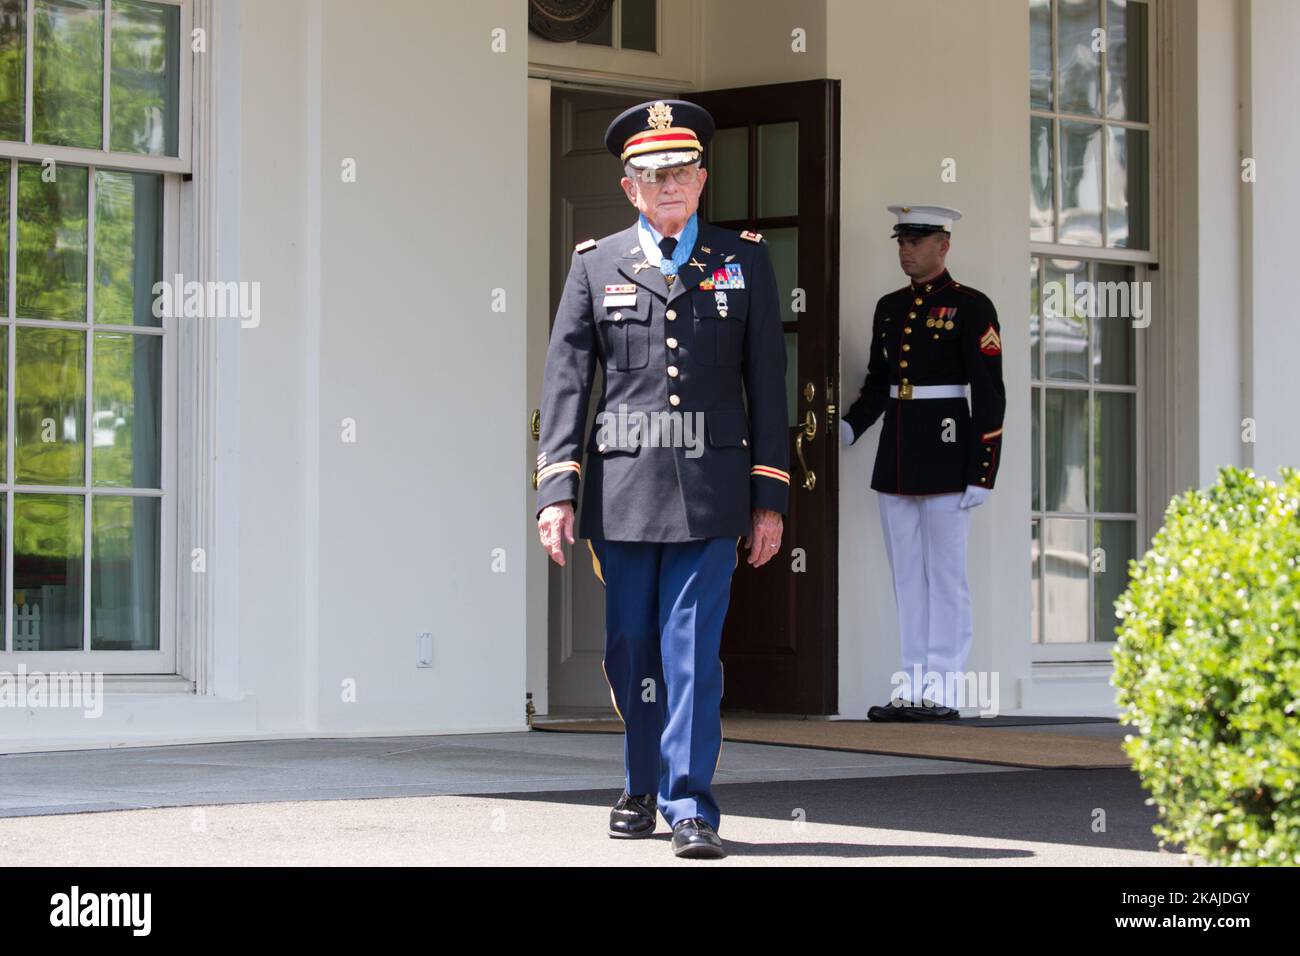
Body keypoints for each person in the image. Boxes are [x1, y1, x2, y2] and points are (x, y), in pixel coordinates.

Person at [535, 99, 789, 858]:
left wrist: (768, 496)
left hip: (711, 498)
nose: (669, 186)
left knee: (691, 651)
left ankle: (689, 806)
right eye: (654, 175)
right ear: (629, 188)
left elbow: (768, 383)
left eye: (681, 172)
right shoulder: (595, 264)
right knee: (631, 649)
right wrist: (557, 491)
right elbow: (566, 385)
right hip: (623, 494)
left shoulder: (744, 261)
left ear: (702, 179)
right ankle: (641, 781)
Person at [841, 204, 1006, 721]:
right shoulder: (889, 307)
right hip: (897, 452)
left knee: (947, 578)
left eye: (916, 240)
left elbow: (990, 393)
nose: (906, 250)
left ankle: (945, 690)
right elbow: (878, 384)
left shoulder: (972, 306)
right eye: (901, 241)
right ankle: (911, 686)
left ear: (944, 245)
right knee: (908, 578)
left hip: (948, 450)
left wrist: (983, 470)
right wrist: (849, 428)